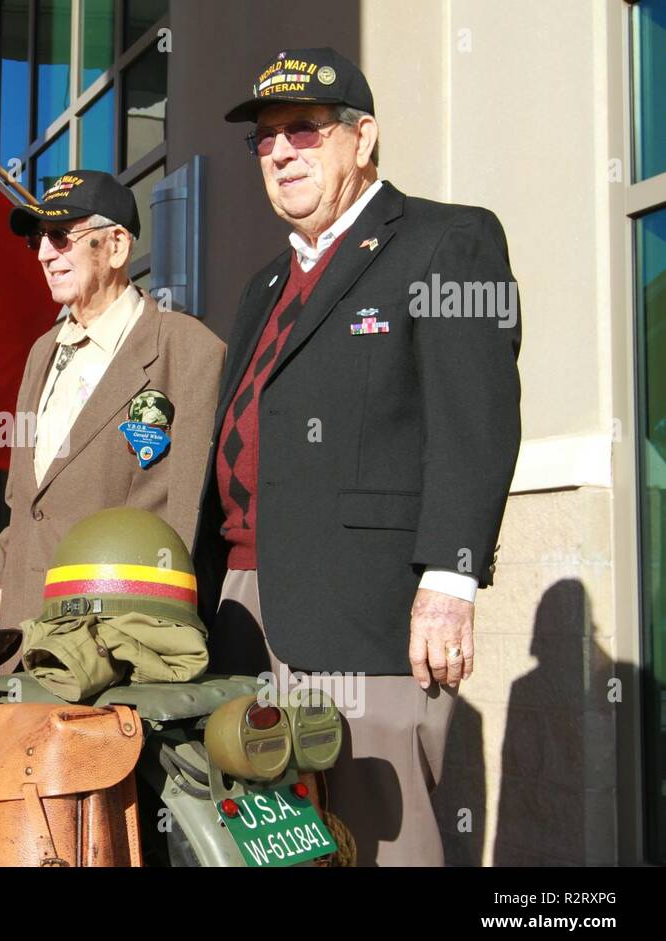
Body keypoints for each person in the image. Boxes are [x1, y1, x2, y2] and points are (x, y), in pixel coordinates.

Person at [195, 48, 522, 865]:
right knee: (272, 846)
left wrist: (447, 584)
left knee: (383, 839)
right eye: (264, 140)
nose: (279, 153)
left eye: (302, 130)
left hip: (368, 613)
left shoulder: (448, 241)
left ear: (362, 136)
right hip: (242, 603)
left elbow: (475, 420)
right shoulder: (263, 286)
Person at [0, 170, 226, 634]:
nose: (45, 254)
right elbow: (28, 507)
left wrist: (155, 642)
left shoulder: (190, 351)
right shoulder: (42, 351)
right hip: (25, 639)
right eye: (39, 240)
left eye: (61, 237)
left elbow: (188, 520)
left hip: (118, 647)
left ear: (117, 245)